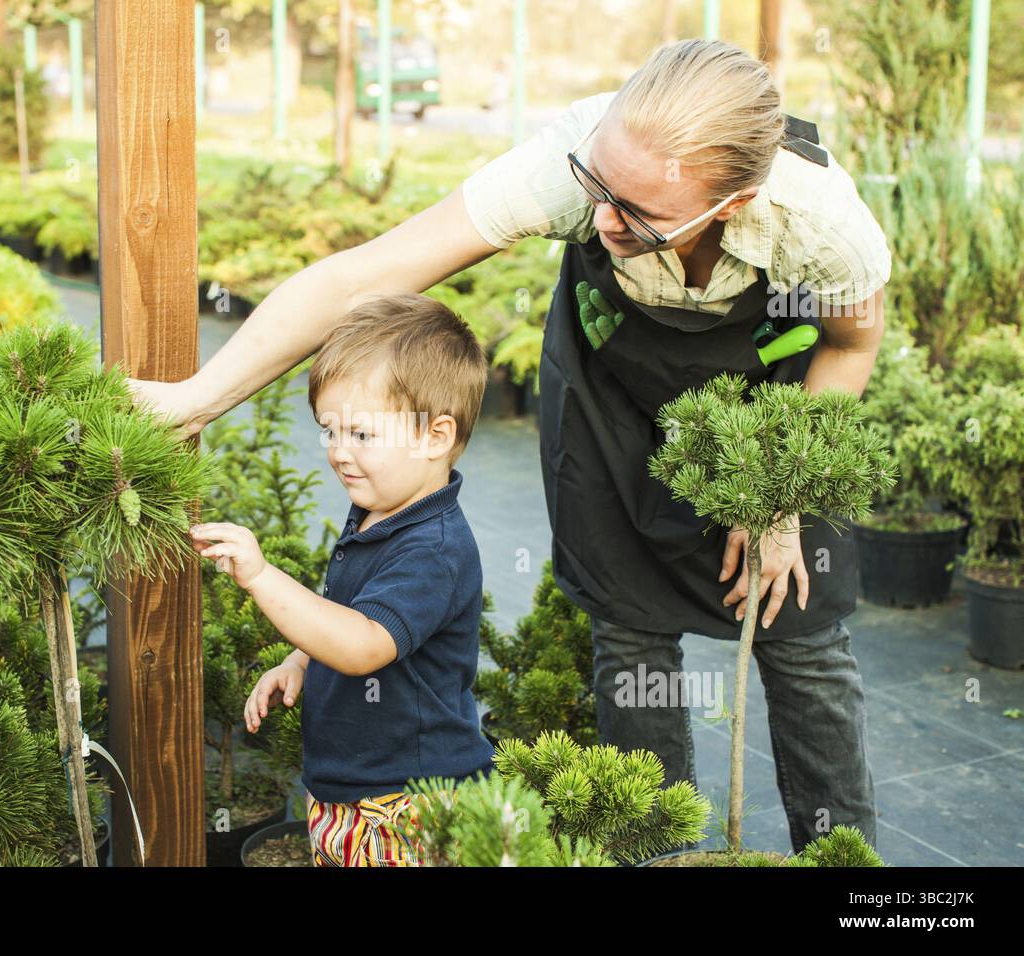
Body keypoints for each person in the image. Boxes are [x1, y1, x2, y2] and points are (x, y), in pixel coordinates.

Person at [131, 39, 890, 855]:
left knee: (800, 629)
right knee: (630, 630)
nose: (600, 219)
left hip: (774, 404)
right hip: (614, 394)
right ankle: (655, 852)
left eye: (635, 214)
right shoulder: (566, 164)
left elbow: (848, 346)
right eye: (598, 187)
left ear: (732, 203)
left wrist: (778, 499)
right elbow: (365, 279)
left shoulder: (821, 226)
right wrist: (196, 398)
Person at [188, 293, 495, 866]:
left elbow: (361, 644)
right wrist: (301, 661)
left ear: (435, 436)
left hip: (409, 805)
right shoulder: (378, 515)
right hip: (352, 793)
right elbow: (350, 613)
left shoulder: (435, 549)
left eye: (361, 434)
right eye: (329, 430)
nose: (338, 452)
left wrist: (259, 575)